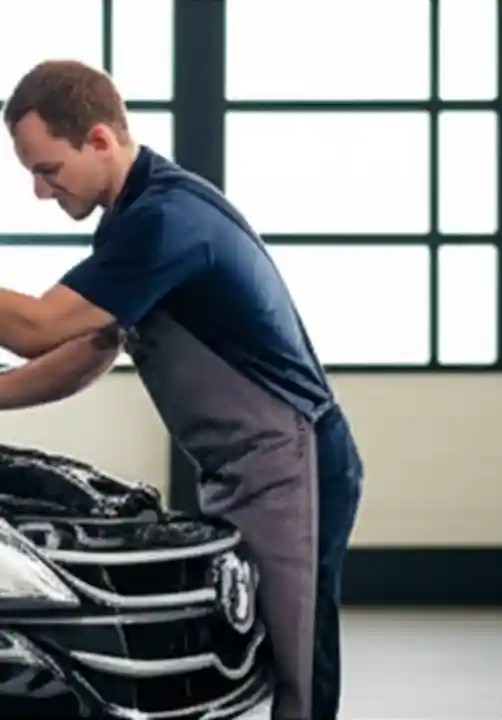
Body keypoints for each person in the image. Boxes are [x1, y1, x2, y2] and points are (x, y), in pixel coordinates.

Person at [0, 59, 362, 719]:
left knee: (297, 670)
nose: (40, 192)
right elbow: (84, 353)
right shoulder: (134, 216)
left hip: (293, 457)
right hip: (244, 463)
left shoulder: (167, 219)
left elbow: (37, 326)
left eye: (47, 169)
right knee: (235, 655)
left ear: (101, 139)